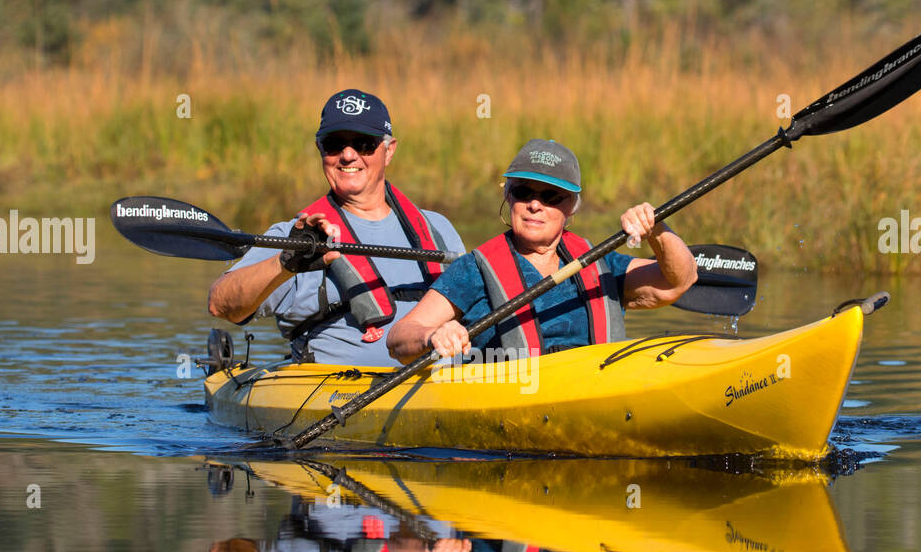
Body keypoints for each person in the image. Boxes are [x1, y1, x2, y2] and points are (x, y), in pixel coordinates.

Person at [207, 89, 465, 365]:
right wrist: (286, 263)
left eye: (364, 143)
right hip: (334, 396)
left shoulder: (438, 229)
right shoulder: (296, 235)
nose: (348, 155)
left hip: (441, 388)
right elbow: (220, 304)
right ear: (320, 149)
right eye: (334, 144)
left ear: (389, 151)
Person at [386, 139, 696, 363]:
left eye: (551, 196)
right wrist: (433, 336)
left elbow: (677, 282)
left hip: (593, 393)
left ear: (571, 208)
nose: (535, 204)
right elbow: (399, 337)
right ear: (509, 197)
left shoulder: (601, 262)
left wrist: (657, 230)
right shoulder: (475, 269)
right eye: (523, 192)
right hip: (510, 404)